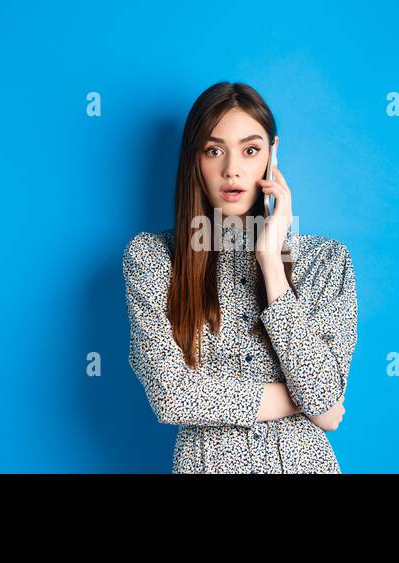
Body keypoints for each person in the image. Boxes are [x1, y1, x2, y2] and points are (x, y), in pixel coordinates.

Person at [122, 81, 358, 474]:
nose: (231, 169)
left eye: (250, 150)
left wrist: (270, 261)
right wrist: (298, 401)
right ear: (194, 159)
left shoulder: (326, 260)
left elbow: (326, 400)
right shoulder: (151, 259)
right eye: (214, 151)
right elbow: (170, 396)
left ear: (272, 154)